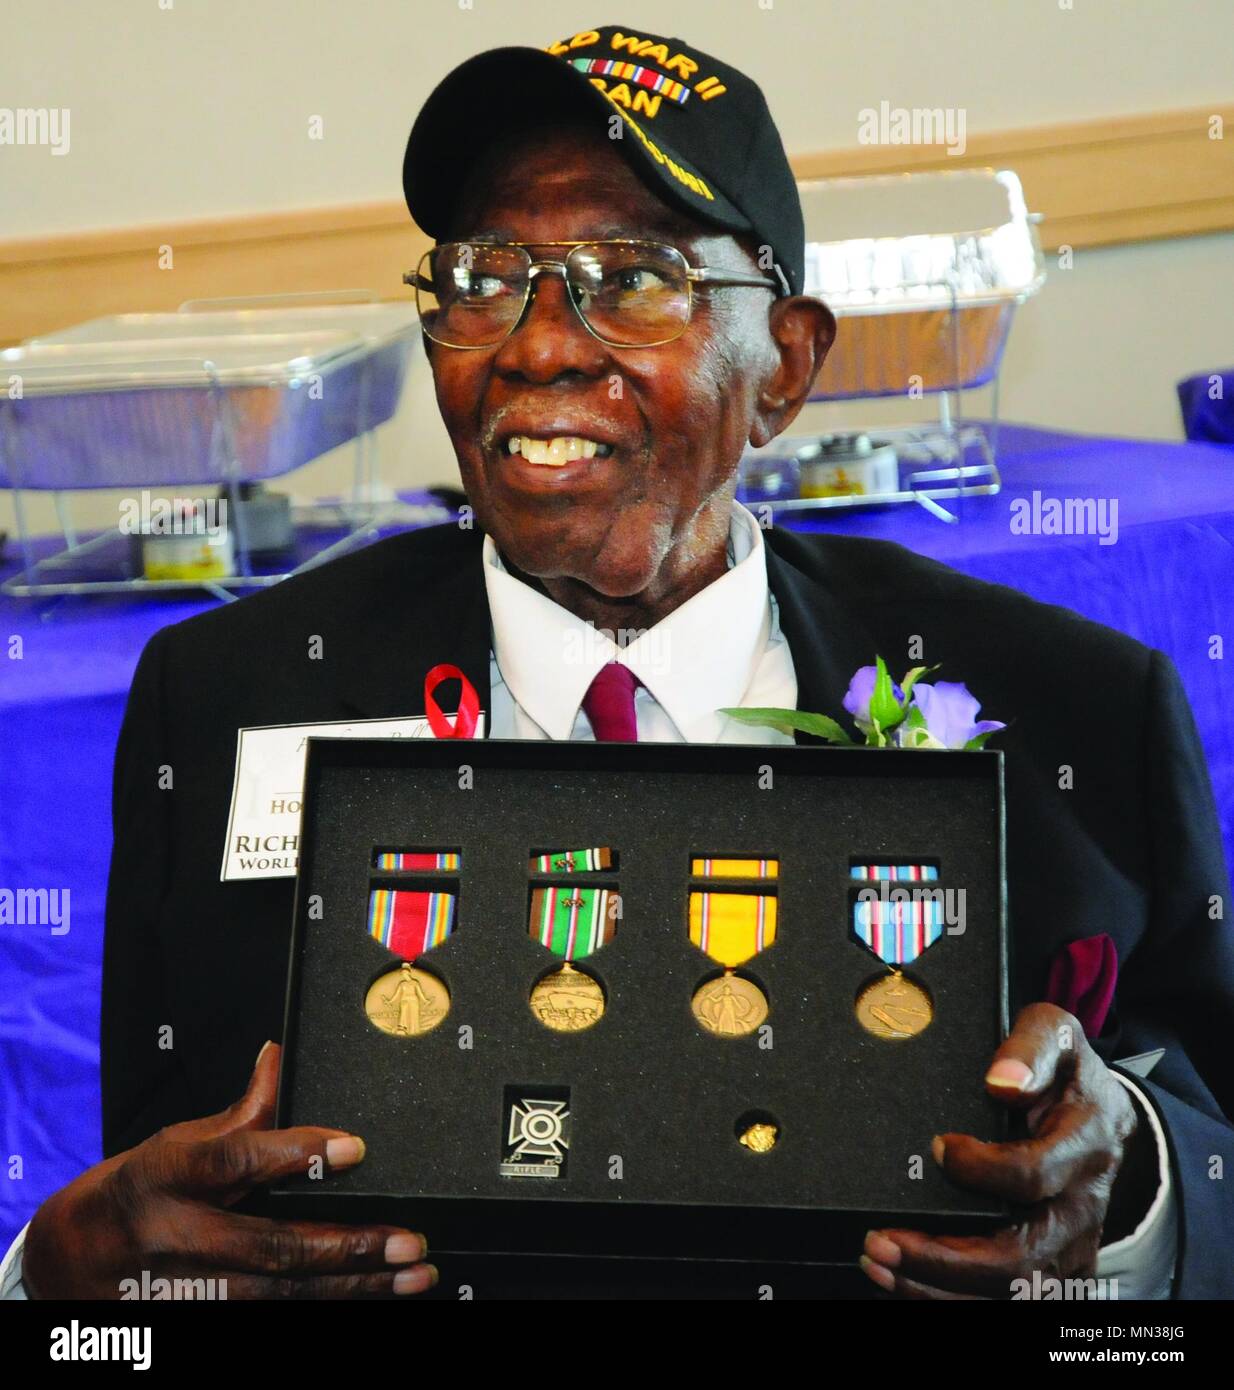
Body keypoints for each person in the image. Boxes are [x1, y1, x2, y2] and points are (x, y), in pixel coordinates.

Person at [5, 24, 1232, 1300]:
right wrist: (64, 1284)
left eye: (632, 277)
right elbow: (152, 1234)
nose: (536, 347)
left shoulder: (1076, 708)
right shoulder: (223, 700)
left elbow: (1208, 1181)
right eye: (485, 277)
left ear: (788, 367)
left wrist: (1130, 1186)